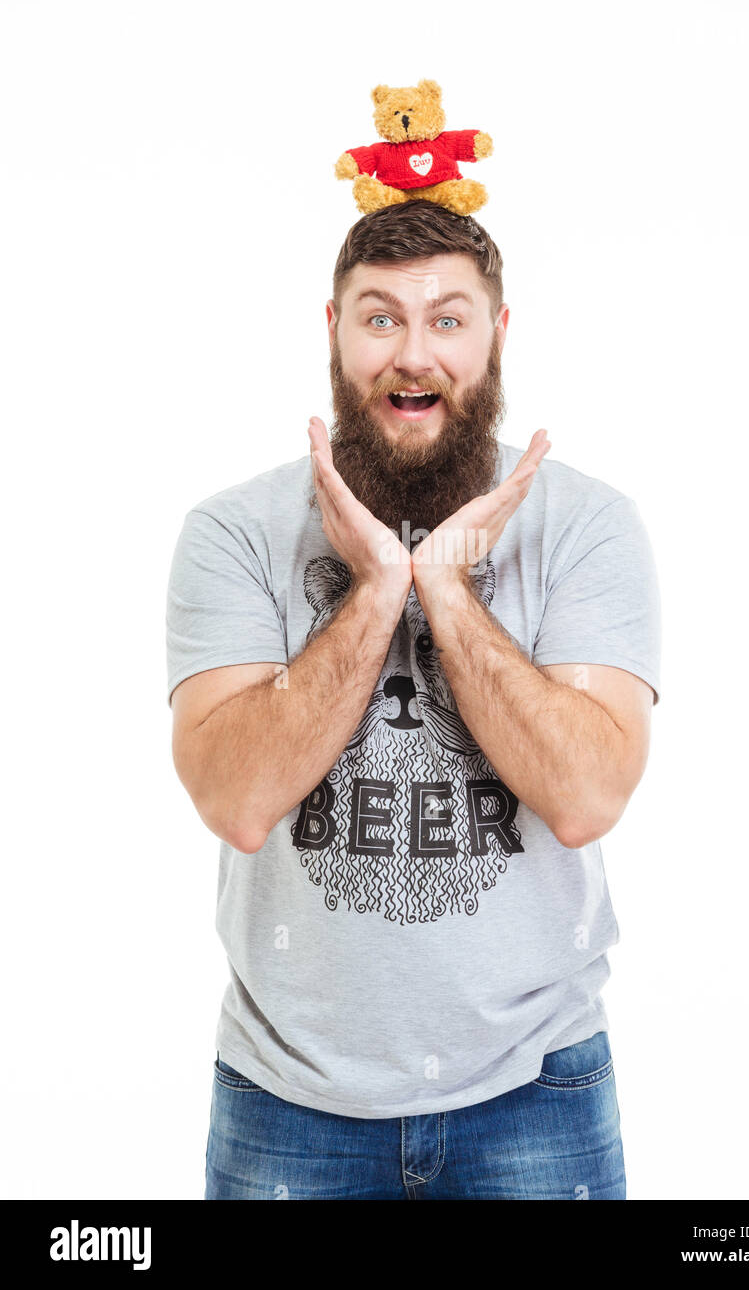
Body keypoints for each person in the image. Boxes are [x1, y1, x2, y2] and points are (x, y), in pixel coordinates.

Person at [165, 200, 661, 1200]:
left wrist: (445, 586)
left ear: (496, 334)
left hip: (537, 1088)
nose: (413, 353)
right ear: (333, 332)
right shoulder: (232, 533)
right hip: (287, 1099)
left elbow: (584, 796)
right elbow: (236, 799)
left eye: (447, 319)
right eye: (379, 316)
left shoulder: (586, 527)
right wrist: (377, 589)